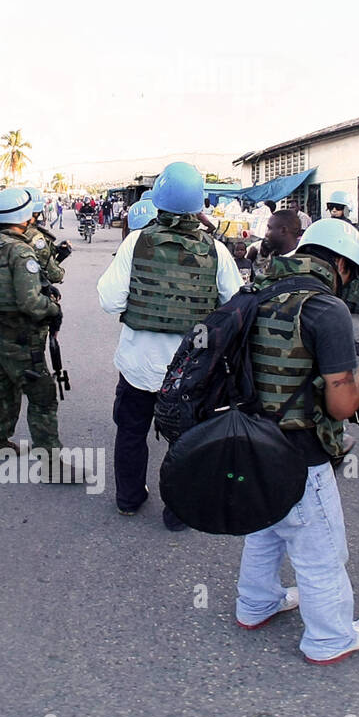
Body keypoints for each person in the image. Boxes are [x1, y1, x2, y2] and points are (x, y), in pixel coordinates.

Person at [233, 216, 359, 663]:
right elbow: (341, 406)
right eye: (351, 273)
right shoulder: (325, 309)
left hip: (249, 439)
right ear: (339, 263)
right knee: (320, 547)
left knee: (265, 527)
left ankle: (256, 604)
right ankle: (329, 638)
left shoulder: (260, 289)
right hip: (299, 452)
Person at [101, 166, 241, 525]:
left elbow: (109, 300)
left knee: (131, 432)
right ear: (198, 207)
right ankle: (177, 510)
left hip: (137, 365)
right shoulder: (216, 250)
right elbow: (236, 304)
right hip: (190, 371)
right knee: (186, 439)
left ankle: (128, 499)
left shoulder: (136, 242)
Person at [0, 186, 65, 477]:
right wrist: (52, 307)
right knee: (42, 398)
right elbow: (31, 302)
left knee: (3, 389)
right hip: (24, 337)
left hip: (0, 331)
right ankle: (51, 465)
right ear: (24, 215)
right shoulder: (21, 250)